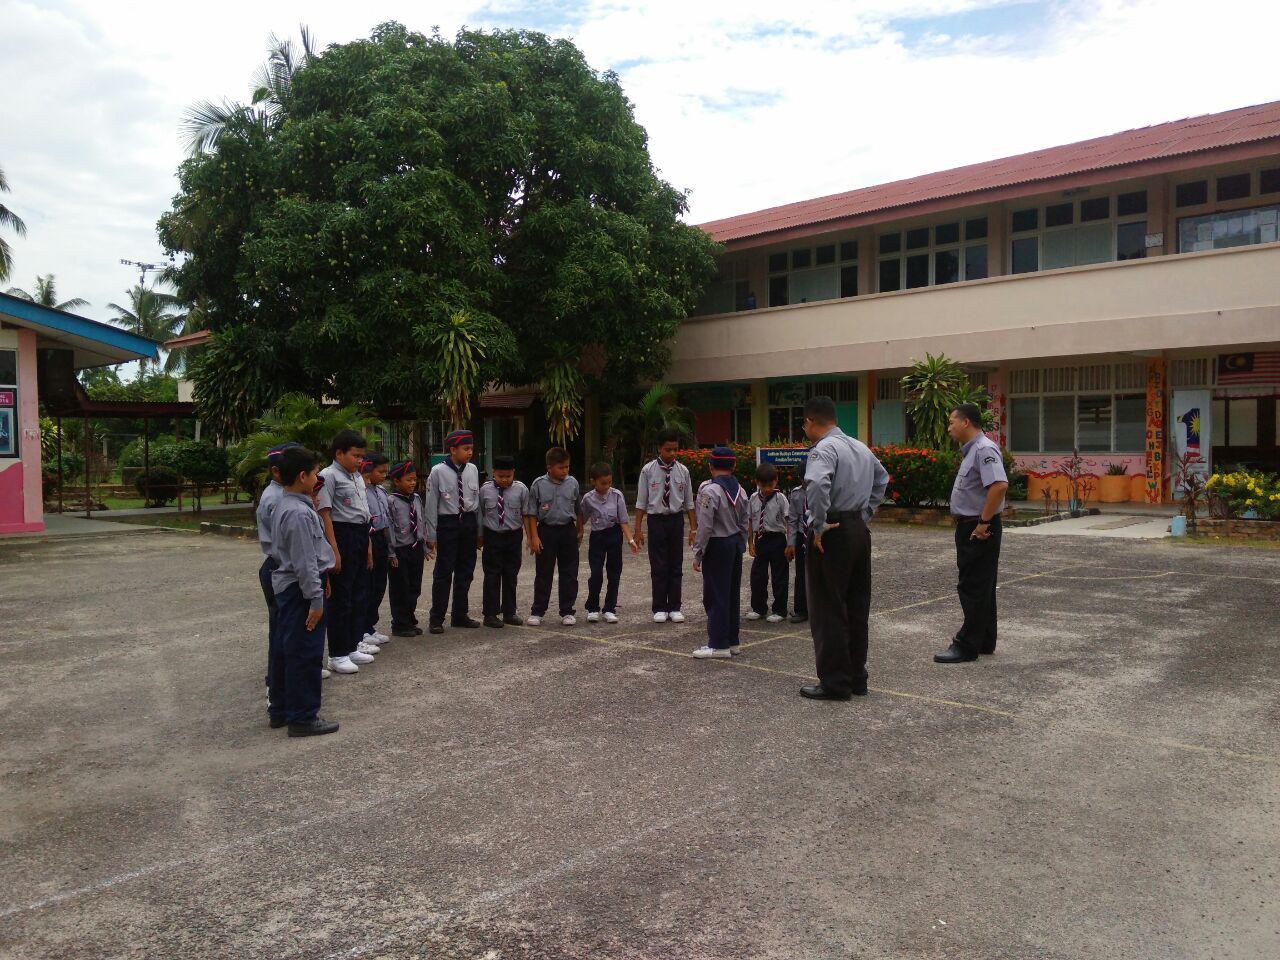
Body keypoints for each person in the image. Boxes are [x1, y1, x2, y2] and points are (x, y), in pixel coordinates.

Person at [799, 396, 888, 700]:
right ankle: (856, 677)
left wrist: (818, 523)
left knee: (828, 607)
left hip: (833, 530)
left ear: (811, 422)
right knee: (856, 605)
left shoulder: (823, 449)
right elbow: (882, 478)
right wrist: (866, 514)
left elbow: (817, 485)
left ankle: (835, 682)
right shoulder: (859, 446)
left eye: (805, 424)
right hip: (858, 530)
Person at [268, 445, 339, 737]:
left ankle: (282, 709)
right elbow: (305, 561)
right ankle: (303, 717)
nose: (317, 478)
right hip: (300, 590)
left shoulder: (289, 504)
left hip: (295, 587)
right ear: (301, 476)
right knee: (305, 653)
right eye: (313, 473)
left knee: (289, 649)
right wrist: (315, 599)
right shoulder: (297, 512)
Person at [935, 403, 1009, 664]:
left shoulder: (983, 449)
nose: (949, 427)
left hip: (978, 527)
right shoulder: (973, 451)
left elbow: (999, 485)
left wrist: (983, 523)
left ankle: (966, 645)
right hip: (973, 524)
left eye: (951, 421)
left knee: (972, 585)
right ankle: (985, 639)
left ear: (965, 422)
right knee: (982, 584)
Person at [318, 430, 374, 676]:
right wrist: (334, 550)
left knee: (358, 592)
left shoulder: (358, 477)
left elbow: (364, 513)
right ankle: (337, 653)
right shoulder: (328, 476)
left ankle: (352, 646)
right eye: (355, 456)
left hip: (360, 534)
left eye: (362, 456)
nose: (359, 461)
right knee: (340, 596)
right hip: (342, 535)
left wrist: (369, 545)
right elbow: (325, 514)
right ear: (339, 453)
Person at [633, 427, 697, 624]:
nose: (672, 454)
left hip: (675, 520)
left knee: (675, 564)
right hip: (656, 520)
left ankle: (675, 607)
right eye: (668, 449)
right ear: (659, 448)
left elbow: (689, 503)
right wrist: (637, 530)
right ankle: (660, 607)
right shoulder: (648, 470)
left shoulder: (683, 471)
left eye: (675, 449)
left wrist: (693, 529)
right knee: (659, 565)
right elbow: (641, 502)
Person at [691, 446, 749, 658]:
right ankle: (732, 641)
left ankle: (718, 644)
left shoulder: (709, 490)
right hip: (734, 543)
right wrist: (741, 544)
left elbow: (705, 525)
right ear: (733, 466)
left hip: (717, 544)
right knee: (731, 593)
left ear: (710, 466)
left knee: (715, 594)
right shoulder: (741, 490)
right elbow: (745, 521)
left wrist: (698, 552)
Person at [424, 430, 481, 634]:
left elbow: (477, 502)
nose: (470, 453)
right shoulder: (437, 471)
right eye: (466, 449)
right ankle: (437, 617)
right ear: (453, 449)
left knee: (466, 570)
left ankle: (460, 615)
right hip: (447, 523)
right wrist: (430, 535)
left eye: (471, 449)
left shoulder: (473, 469)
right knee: (444, 572)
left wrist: (479, 530)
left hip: (468, 522)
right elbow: (431, 505)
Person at [525, 447, 581, 626]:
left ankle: (567, 611)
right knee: (543, 572)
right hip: (546, 531)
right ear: (549, 467)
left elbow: (578, 509)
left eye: (567, 467)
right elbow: (532, 513)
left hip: (567, 530)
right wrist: (534, 537)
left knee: (569, 572)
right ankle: (538, 610)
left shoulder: (573, 483)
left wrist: (579, 530)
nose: (565, 471)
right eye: (561, 467)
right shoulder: (538, 485)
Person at [580, 461, 639, 623]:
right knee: (596, 573)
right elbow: (581, 519)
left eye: (609, 482)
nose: (606, 486)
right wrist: (577, 535)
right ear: (593, 481)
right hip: (597, 537)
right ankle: (592, 608)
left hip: (614, 535)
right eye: (602, 483)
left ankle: (609, 608)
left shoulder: (617, 495)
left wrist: (630, 540)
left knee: (614, 573)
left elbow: (623, 521)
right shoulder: (588, 499)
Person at [478, 455, 527, 628]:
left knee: (511, 574)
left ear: (513, 473)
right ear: (494, 473)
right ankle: (490, 614)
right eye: (500, 476)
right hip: (493, 536)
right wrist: (480, 536)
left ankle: (509, 612)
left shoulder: (521, 490)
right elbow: (481, 514)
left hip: (513, 536)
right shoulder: (485, 490)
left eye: (508, 476)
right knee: (492, 575)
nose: (504, 480)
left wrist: (529, 537)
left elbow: (526, 514)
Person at [386, 460, 426, 637]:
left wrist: (424, 545)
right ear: (396, 481)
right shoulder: (391, 501)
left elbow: (421, 521)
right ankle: (400, 624)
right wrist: (391, 553)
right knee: (400, 588)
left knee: (414, 586)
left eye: (414, 479)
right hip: (400, 550)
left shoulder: (416, 498)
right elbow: (389, 528)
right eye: (408, 480)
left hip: (415, 546)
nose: (412, 483)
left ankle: (409, 619)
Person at [747, 462, 791, 623]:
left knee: (779, 576)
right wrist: (750, 543)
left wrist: (790, 544)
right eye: (763, 485)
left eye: (770, 485)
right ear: (757, 482)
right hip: (761, 539)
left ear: (776, 481)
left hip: (778, 539)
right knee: (758, 576)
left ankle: (780, 610)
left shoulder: (781, 498)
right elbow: (750, 521)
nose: (767, 489)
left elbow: (788, 521)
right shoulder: (753, 498)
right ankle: (759, 608)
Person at [360, 453, 392, 653]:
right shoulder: (362, 491)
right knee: (368, 585)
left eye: (386, 471)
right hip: (369, 538)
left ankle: (370, 625)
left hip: (381, 537)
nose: (384, 475)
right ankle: (362, 628)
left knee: (380, 584)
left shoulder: (381, 491)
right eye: (380, 472)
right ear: (368, 471)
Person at [787, 479, 810, 623]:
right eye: (804, 480)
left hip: (818, 534)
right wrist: (791, 543)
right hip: (803, 536)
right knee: (801, 573)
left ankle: (822, 610)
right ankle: (801, 610)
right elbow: (793, 520)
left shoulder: (822, 490)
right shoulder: (796, 494)